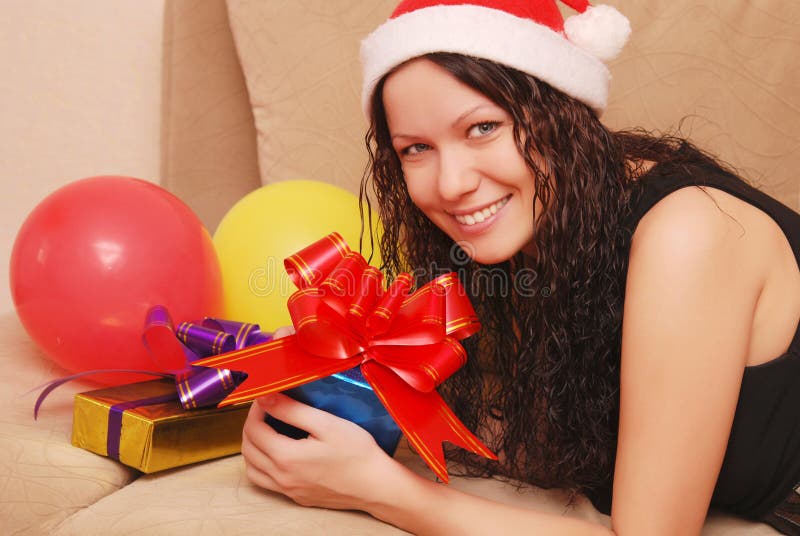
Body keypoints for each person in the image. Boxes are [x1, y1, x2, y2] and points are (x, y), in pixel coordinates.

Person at [240, 1, 800, 534]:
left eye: (483, 128)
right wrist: (354, 393)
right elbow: (562, 437)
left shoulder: (688, 234)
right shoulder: (539, 235)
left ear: (558, 111)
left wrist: (376, 489)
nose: (451, 184)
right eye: (415, 148)